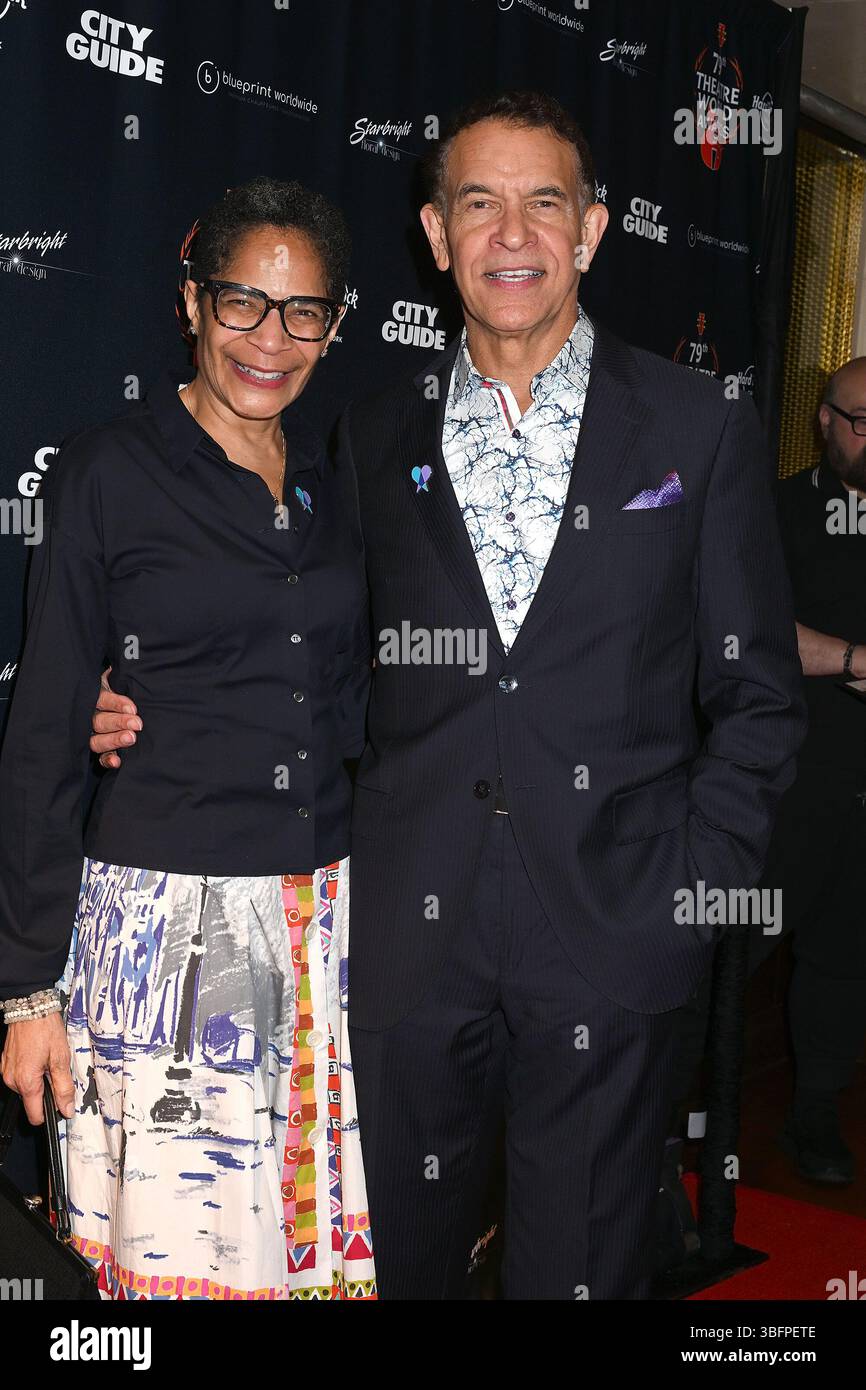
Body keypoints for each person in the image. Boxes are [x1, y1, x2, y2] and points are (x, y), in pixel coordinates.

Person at [91, 90, 808, 1300]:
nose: (511, 234)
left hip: (614, 937)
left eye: (543, 203)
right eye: (479, 203)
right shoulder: (370, 436)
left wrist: (681, 902)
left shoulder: (697, 428)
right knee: (405, 1273)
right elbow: (314, 649)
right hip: (405, 947)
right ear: (435, 234)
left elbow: (757, 699)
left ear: (589, 231)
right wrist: (149, 695)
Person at [0, 176, 377, 1301]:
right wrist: (25, 991)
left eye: (304, 310)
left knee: (301, 1261)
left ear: (334, 324)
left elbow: (354, 699)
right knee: (177, 1271)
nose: (272, 338)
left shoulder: (327, 478)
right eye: (242, 303)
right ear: (191, 302)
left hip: (319, 925)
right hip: (167, 939)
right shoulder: (109, 469)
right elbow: (44, 733)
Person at [748, 356, 866, 1184]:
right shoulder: (777, 511)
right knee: (731, 951)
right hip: (786, 779)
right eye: (861, 421)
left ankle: (816, 1113)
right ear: (824, 418)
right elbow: (746, 631)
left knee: (846, 956)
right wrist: (855, 658)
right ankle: (656, 1135)